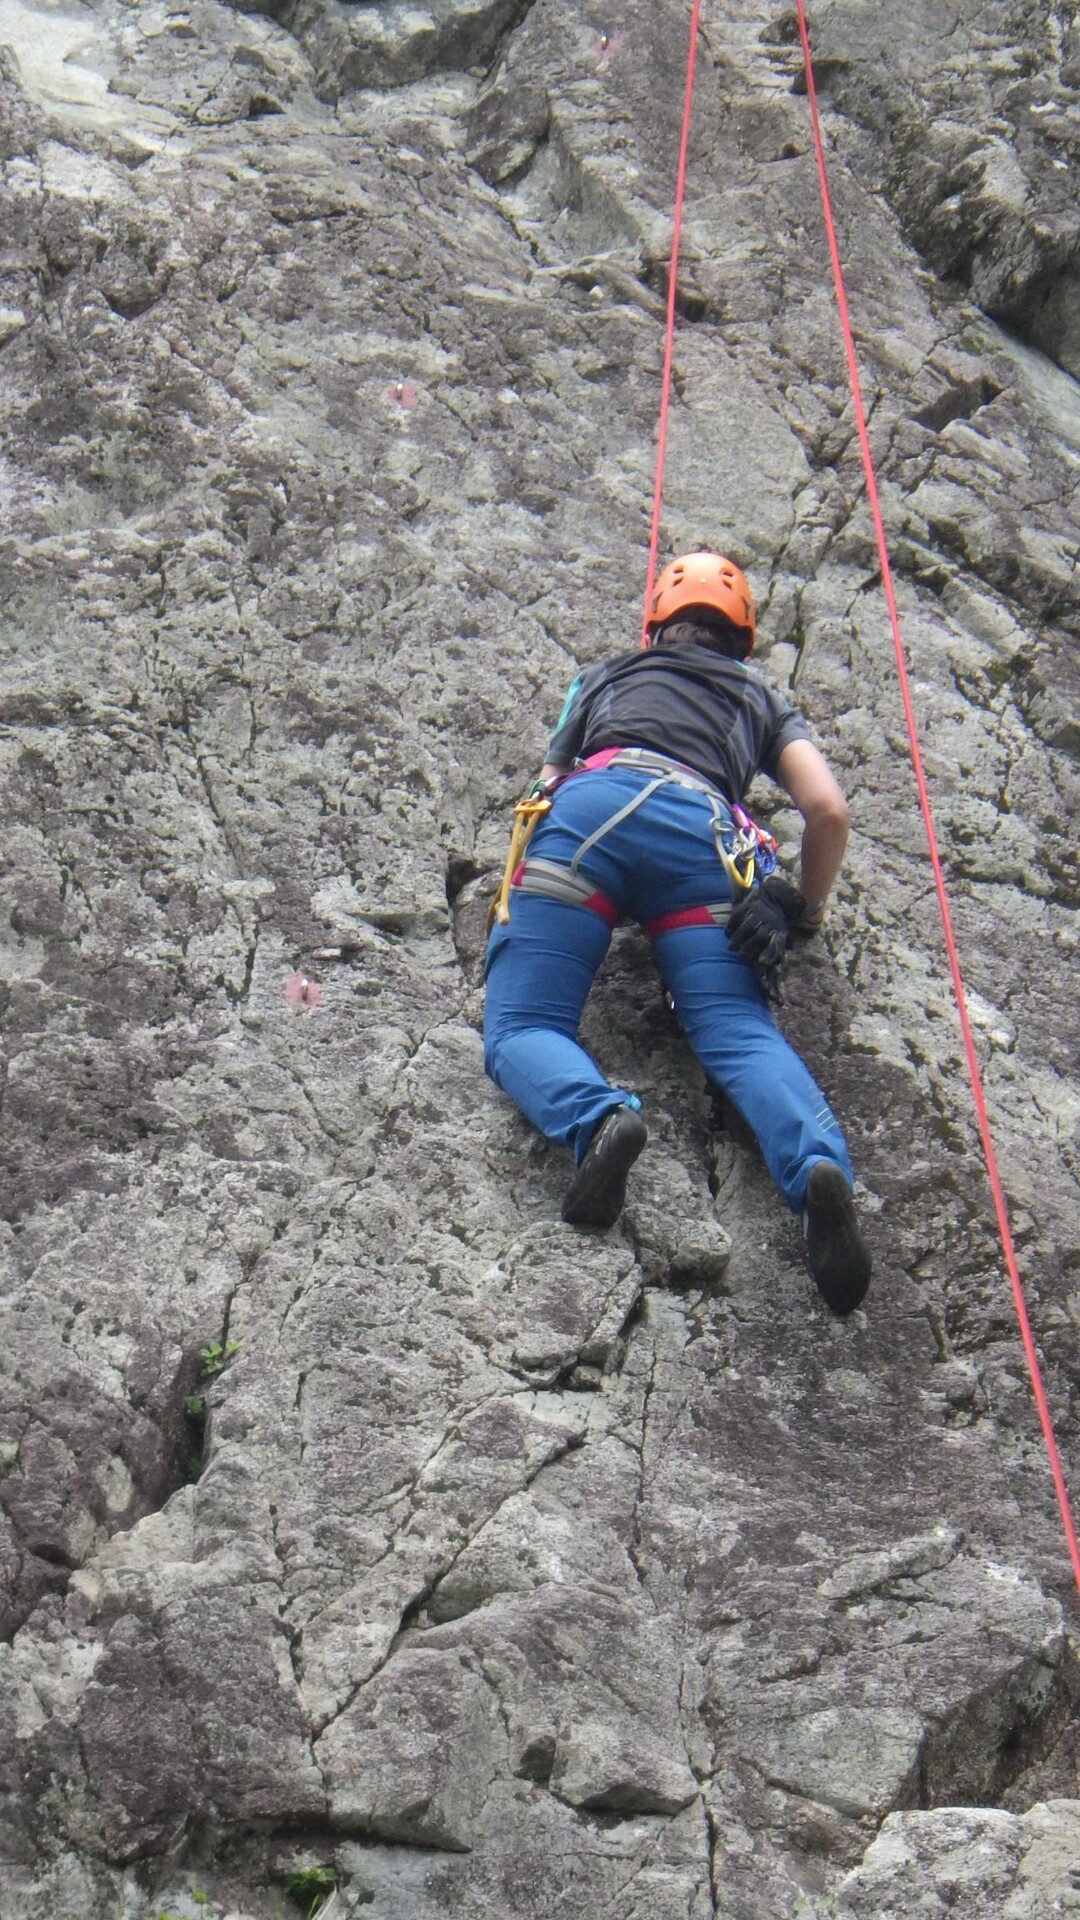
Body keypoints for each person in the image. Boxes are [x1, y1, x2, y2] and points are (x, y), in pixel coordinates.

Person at [483, 552, 871, 1315]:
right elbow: (828, 811)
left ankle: (599, 1119)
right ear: (742, 638)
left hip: (592, 816)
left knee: (522, 1024)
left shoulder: (604, 676)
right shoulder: (763, 700)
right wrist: (802, 907)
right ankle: (817, 1168)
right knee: (736, 1031)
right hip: (703, 838)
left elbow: (548, 779)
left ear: (658, 622)